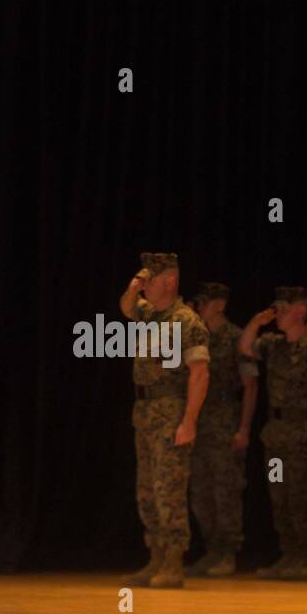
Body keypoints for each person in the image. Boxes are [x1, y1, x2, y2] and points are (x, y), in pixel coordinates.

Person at [118, 252, 210, 588]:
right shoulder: (148, 314)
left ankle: (173, 561)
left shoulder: (187, 321)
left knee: (168, 489)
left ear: (169, 281)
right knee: (146, 490)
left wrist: (189, 422)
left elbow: (199, 374)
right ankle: (155, 554)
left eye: (150, 280)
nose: (144, 286)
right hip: (144, 413)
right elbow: (127, 308)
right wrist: (132, 288)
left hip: (171, 412)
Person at [240, 286, 307, 580]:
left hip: (302, 433)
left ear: (300, 311)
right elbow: (245, 348)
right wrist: (256, 322)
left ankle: (305, 557)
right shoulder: (272, 344)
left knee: (301, 495)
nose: (276, 313)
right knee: (279, 494)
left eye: (282, 307)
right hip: (275, 435)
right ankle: (288, 554)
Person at [187, 282, 256, 577]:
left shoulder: (236, 338)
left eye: (203, 302)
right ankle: (212, 549)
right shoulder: (196, 336)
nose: (198, 307)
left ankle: (227, 552)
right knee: (200, 491)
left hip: (225, 420)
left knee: (225, 489)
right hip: (199, 422)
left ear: (217, 305)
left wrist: (243, 429)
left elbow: (250, 386)